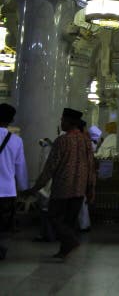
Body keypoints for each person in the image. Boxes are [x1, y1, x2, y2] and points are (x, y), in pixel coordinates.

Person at [24, 108, 95, 260]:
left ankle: (71, 242)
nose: (61, 123)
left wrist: (36, 187)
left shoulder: (62, 140)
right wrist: (90, 189)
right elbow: (91, 166)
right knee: (69, 222)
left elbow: (50, 167)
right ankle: (64, 251)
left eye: (63, 120)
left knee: (53, 217)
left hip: (63, 188)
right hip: (79, 189)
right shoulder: (85, 140)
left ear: (71, 123)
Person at [0, 103, 26, 261]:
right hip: (7, 190)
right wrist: (24, 188)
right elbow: (20, 167)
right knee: (3, 224)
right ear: (11, 120)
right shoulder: (16, 141)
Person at [77, 125, 103, 232]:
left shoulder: (88, 143)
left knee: (82, 201)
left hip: (83, 174)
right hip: (84, 173)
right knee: (83, 201)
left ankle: (84, 224)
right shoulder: (90, 143)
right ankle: (84, 224)